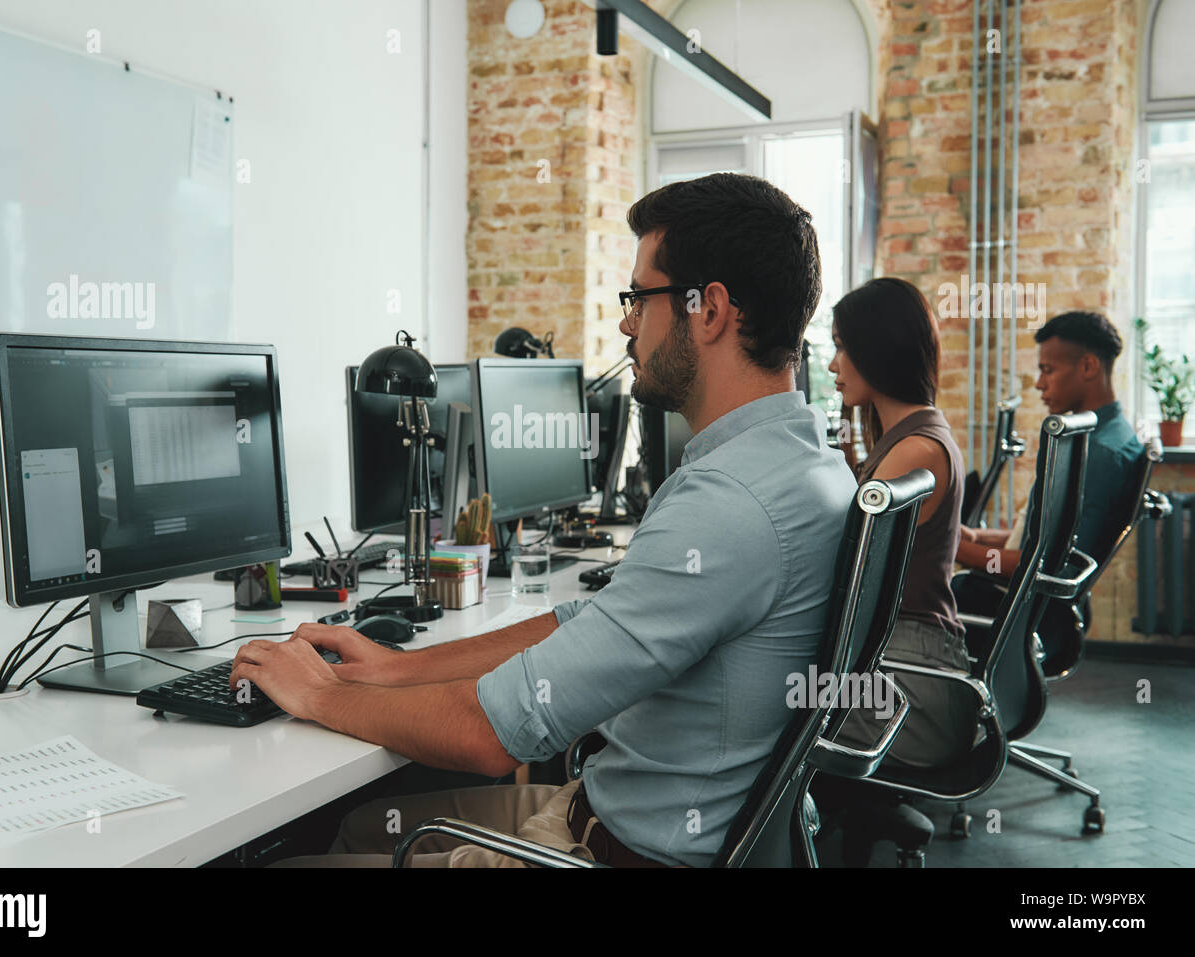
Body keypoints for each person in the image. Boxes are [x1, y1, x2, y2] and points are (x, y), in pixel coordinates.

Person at [229, 173, 857, 867]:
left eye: (638, 297)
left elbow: (488, 735)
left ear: (707, 310)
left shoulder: (728, 503)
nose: (625, 322)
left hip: (614, 852)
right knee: (361, 826)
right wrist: (395, 669)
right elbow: (585, 627)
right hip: (616, 816)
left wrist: (318, 692)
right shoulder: (807, 466)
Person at [823, 278, 975, 769]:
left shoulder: (915, 449)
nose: (831, 365)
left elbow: (845, 568)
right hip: (906, 665)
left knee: (756, 702)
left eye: (841, 348)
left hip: (914, 690)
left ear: (877, 349)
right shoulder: (914, 435)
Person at [954, 311, 1144, 586]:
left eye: (1047, 370)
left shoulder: (1097, 454)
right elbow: (1046, 540)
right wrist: (978, 539)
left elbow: (1048, 568)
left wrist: (959, 550)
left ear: (1088, 367)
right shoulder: (1110, 436)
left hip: (1026, 608)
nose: (1039, 384)